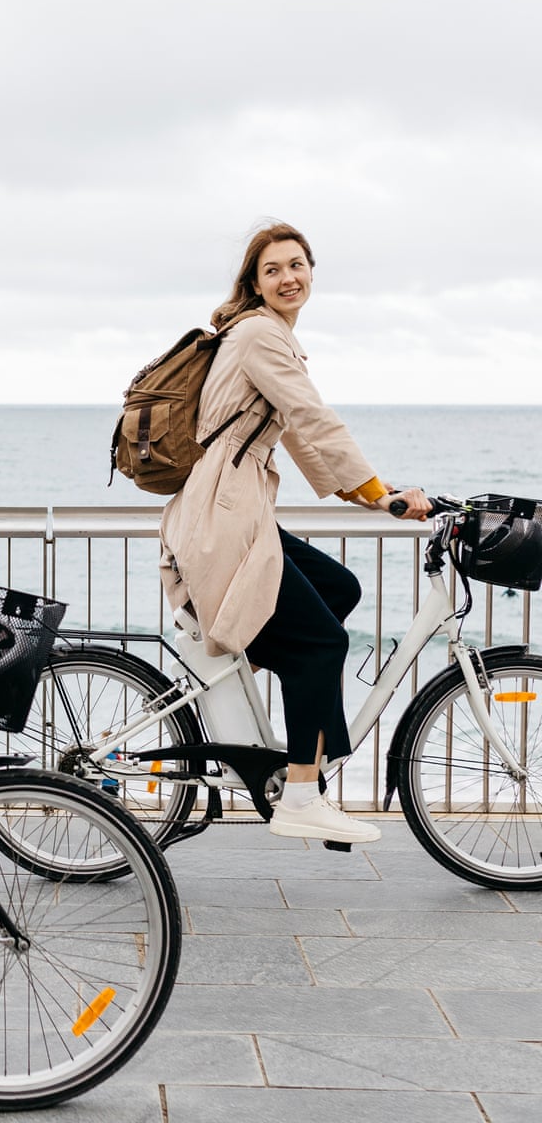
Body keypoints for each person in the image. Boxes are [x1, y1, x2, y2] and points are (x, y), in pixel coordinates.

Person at [158, 223, 431, 845]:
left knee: (339, 587)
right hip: (223, 515)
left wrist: (371, 497)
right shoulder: (260, 334)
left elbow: (302, 436)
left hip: (235, 506)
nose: (289, 278)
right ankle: (302, 795)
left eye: (297, 265)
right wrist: (381, 492)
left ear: (312, 270)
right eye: (274, 269)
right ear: (255, 284)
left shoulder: (268, 335)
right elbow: (313, 416)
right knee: (321, 646)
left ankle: (250, 684)